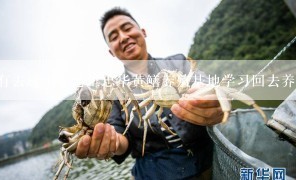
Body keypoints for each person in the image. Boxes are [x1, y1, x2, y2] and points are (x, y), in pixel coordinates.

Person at [75, 7, 223, 179]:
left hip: (208, 159)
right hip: (155, 172)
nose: (123, 37)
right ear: (111, 52)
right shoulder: (115, 93)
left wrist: (212, 97)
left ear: (143, 32)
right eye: (114, 37)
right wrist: (110, 141)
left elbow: (204, 82)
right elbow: (121, 137)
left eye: (127, 28)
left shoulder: (178, 63)